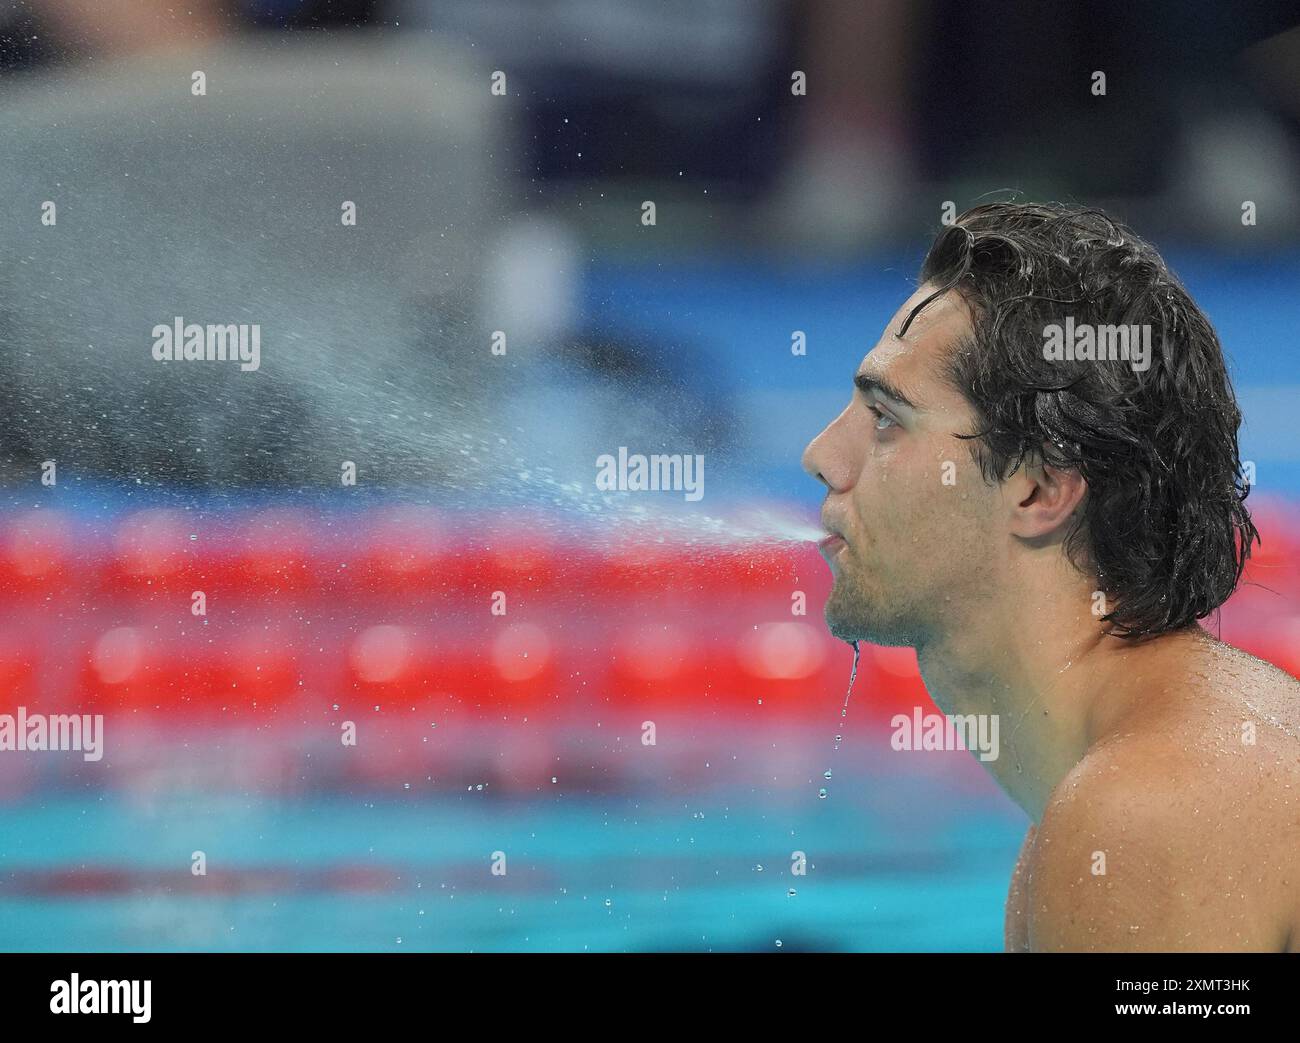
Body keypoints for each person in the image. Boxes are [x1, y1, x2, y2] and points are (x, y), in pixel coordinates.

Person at [801, 202, 1300, 952]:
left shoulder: (1143, 813)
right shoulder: (1108, 801)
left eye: (886, 418)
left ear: (1039, 490)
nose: (821, 456)